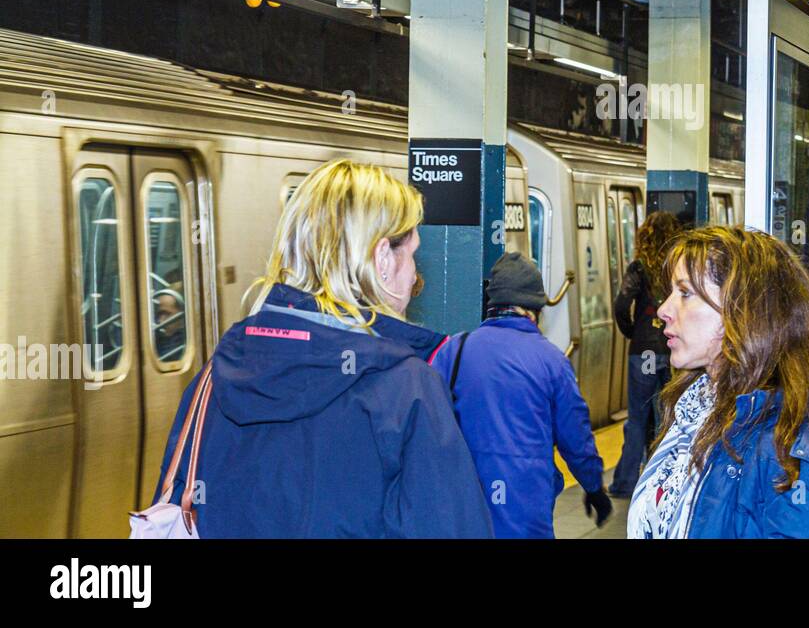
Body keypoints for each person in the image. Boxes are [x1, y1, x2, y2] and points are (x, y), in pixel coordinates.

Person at [147, 159, 493, 537]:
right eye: (411, 255)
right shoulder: (403, 389)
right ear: (381, 258)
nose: (414, 278)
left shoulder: (213, 377)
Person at [627, 226, 809, 539]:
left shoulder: (792, 458)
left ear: (744, 313)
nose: (664, 310)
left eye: (685, 293)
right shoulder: (694, 414)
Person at [433, 252, 611, 538]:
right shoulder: (551, 360)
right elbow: (575, 436)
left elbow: (427, 423)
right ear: (534, 309)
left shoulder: (453, 351)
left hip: (465, 501)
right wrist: (593, 486)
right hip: (525, 505)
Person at [608, 210, 681, 498]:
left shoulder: (638, 268)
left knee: (637, 417)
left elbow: (620, 304)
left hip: (644, 352)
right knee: (666, 417)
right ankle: (661, 481)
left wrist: (632, 332)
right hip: (670, 348)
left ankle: (625, 482)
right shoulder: (675, 267)